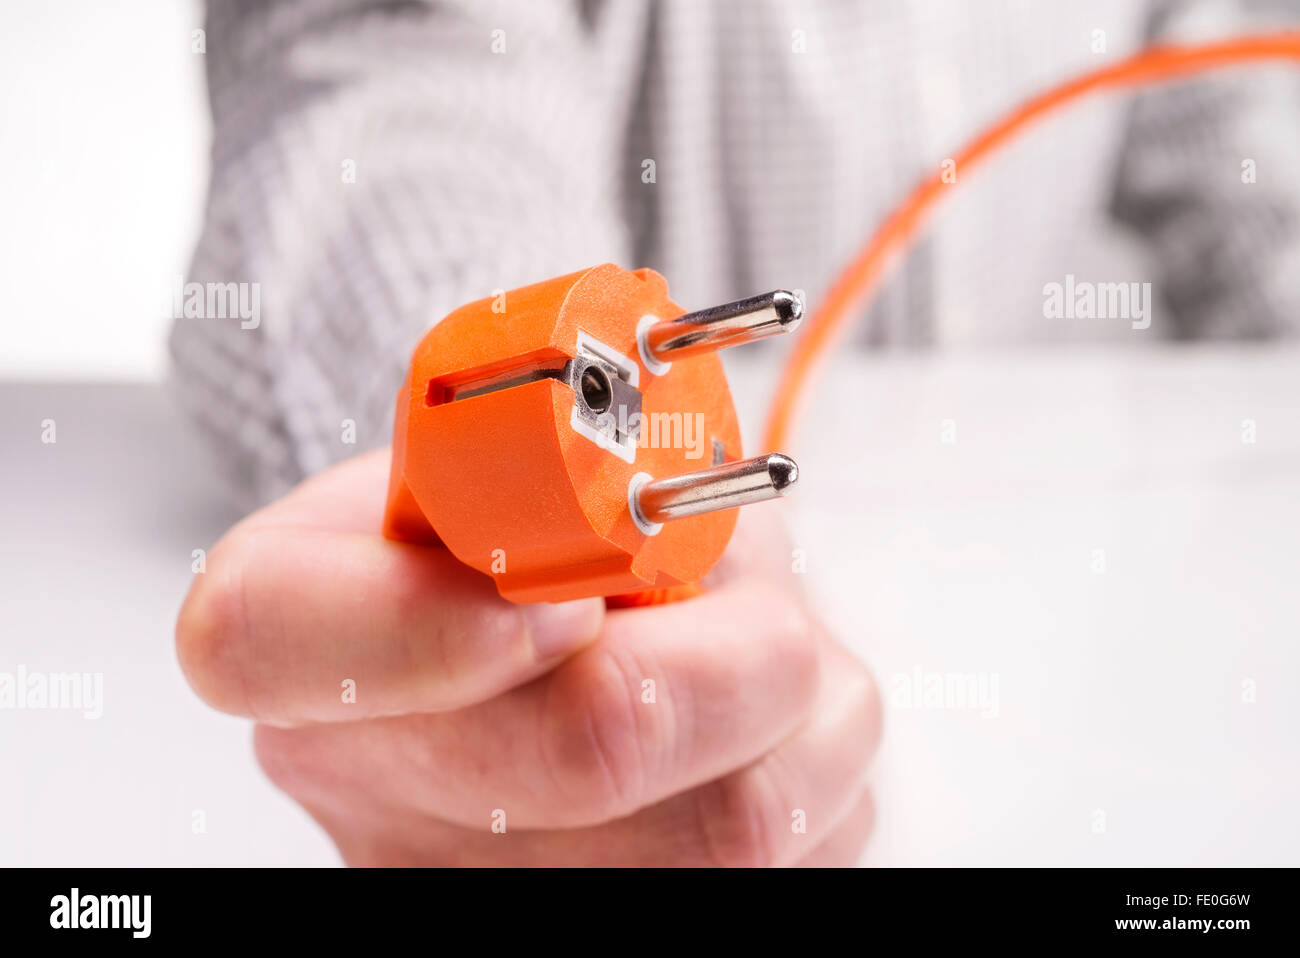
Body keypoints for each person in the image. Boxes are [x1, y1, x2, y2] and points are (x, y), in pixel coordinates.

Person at [172, 0, 1299, 866]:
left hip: (1058, 644)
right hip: (676, 602)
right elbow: (401, 79)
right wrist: (521, 476)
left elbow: (1237, 138)